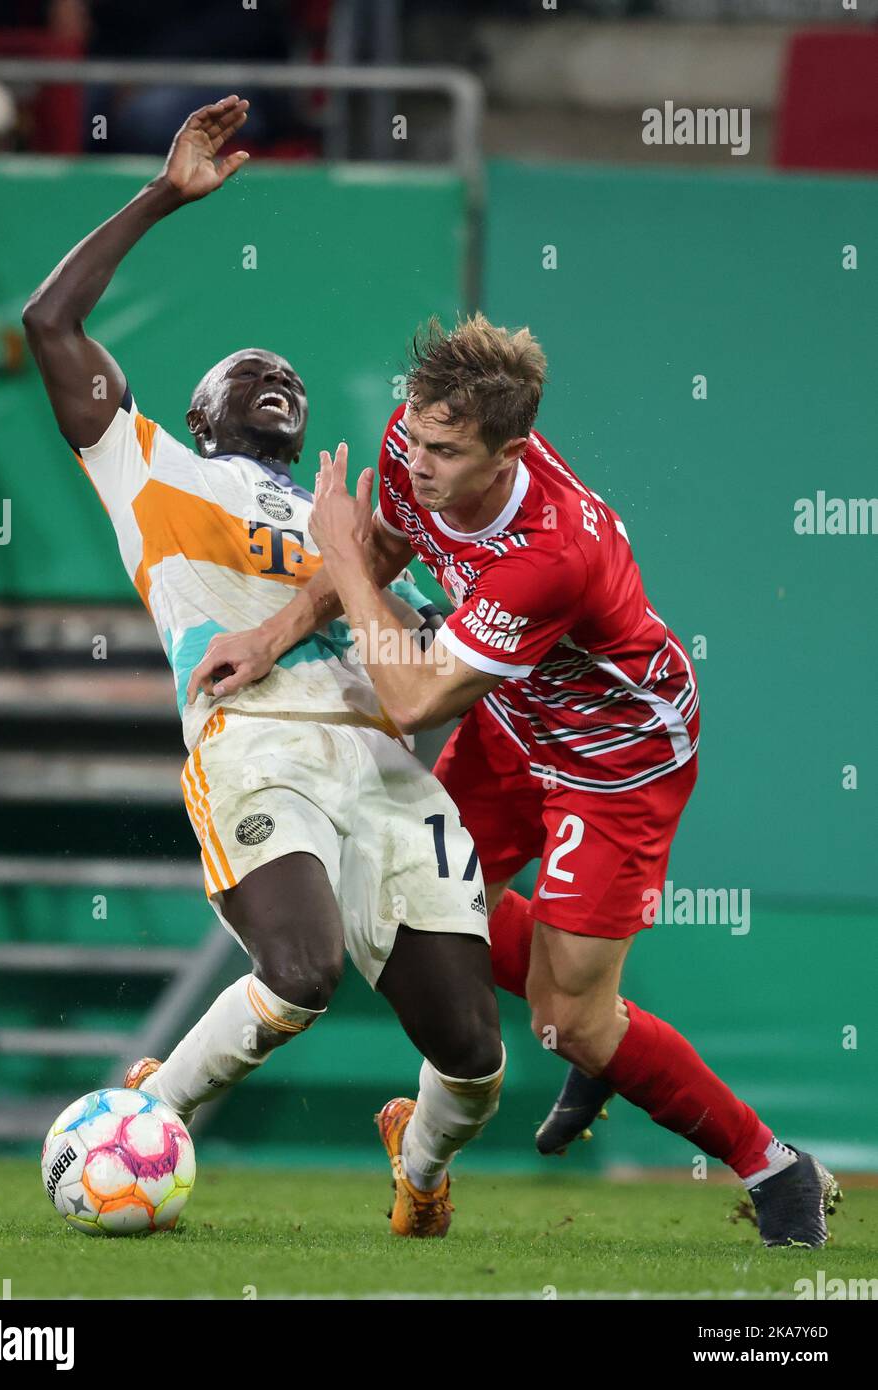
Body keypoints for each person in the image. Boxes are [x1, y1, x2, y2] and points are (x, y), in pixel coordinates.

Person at [189, 314, 842, 1248]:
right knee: (421, 914)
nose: (417, 461)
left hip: (613, 757)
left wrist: (332, 544)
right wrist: (269, 633)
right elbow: (381, 552)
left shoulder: (552, 554)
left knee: (568, 1022)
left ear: (510, 452)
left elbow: (413, 699)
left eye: (446, 451)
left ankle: (777, 1169)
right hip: (512, 719)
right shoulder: (417, 444)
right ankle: (603, 1031)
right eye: (412, 436)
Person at [22, 96, 505, 1240]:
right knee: (299, 971)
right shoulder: (153, 470)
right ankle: (148, 1115)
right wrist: (164, 195)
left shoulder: (357, 518)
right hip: (260, 744)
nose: (269, 375)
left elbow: (436, 655)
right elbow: (50, 322)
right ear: (200, 410)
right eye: (245, 373)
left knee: (475, 1058)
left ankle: (421, 1167)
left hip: (386, 770)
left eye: (279, 373)